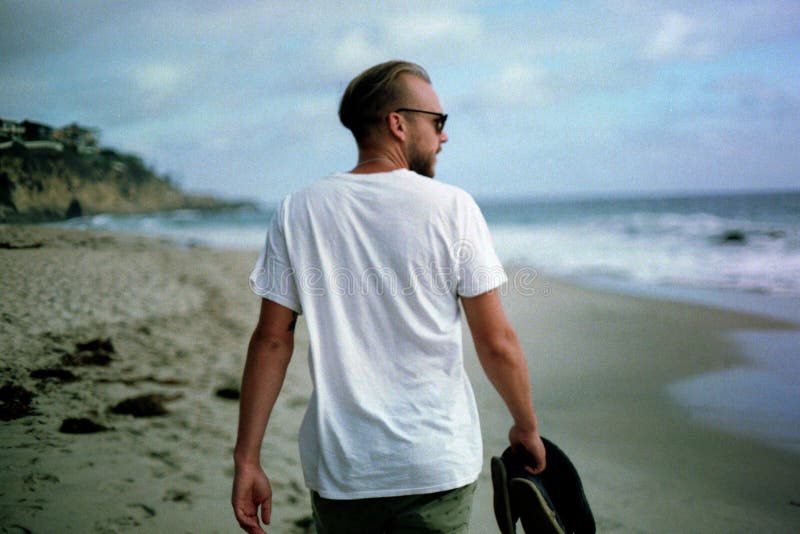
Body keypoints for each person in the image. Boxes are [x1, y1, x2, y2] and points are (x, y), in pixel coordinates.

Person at [232, 59, 545, 534]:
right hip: (434, 463)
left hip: (345, 470)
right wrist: (526, 426)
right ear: (397, 123)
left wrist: (247, 459)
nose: (444, 137)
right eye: (438, 123)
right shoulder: (453, 208)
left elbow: (272, 340)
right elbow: (496, 341)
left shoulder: (299, 211)